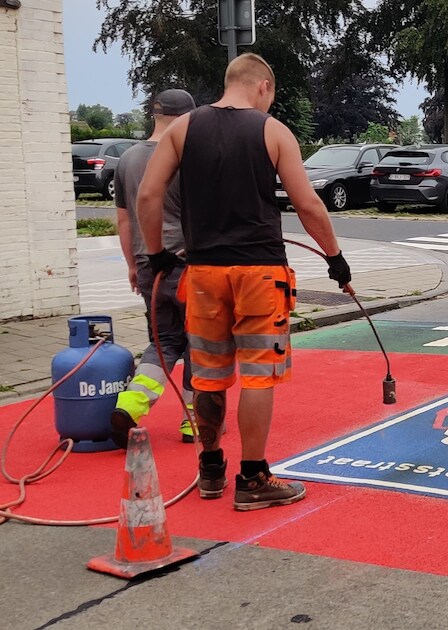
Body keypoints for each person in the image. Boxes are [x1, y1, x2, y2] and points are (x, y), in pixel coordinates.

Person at [136, 53, 352, 511]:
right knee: (258, 376)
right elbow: (309, 205)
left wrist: (155, 255)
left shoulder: (182, 128)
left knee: (209, 376)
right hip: (260, 272)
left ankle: (210, 468)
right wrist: (336, 259)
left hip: (203, 273)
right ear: (264, 88)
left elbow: (149, 194)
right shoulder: (272, 131)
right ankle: (253, 478)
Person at [110, 89, 197, 449]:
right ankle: (195, 421)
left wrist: (134, 264)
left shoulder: (127, 158)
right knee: (200, 342)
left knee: (162, 342)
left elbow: (123, 220)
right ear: (184, 118)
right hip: (186, 265)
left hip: (148, 266)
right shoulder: (183, 156)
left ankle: (130, 404)